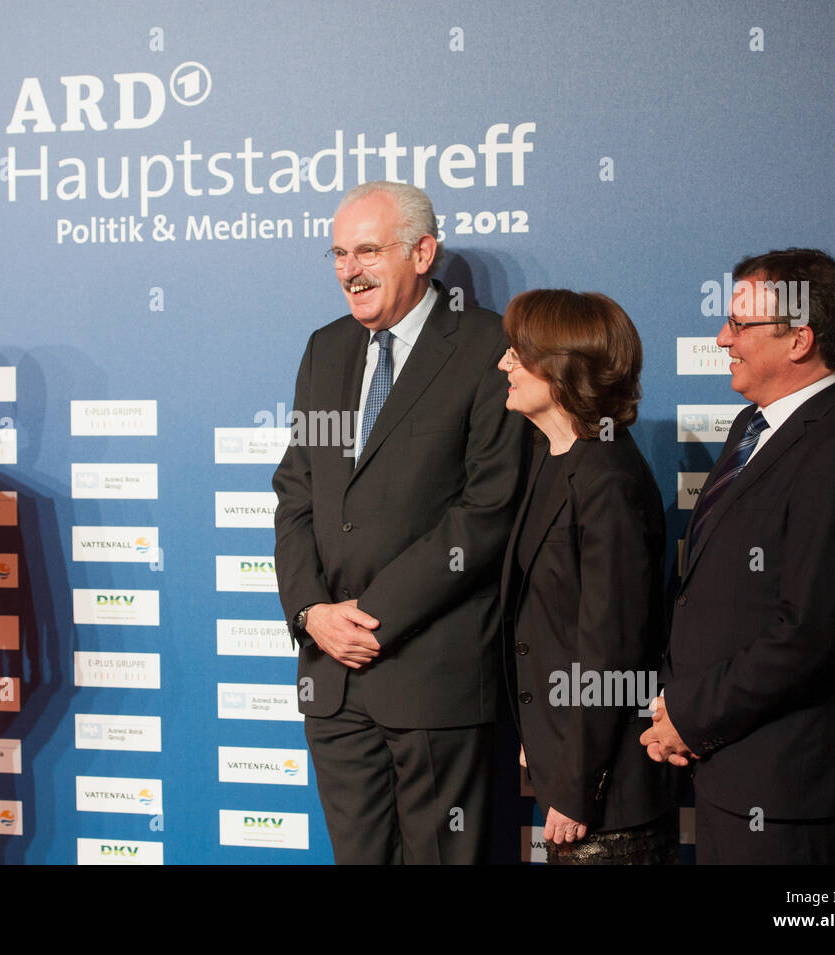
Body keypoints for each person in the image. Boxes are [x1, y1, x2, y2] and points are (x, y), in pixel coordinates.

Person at [272, 181, 525, 864]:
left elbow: (489, 508)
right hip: (333, 677)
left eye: (366, 251)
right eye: (337, 254)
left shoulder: (486, 345)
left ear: (423, 252)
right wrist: (311, 611)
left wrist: (371, 614)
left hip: (433, 676)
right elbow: (295, 494)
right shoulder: (325, 349)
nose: (348, 270)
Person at [641, 248, 835, 864]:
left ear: (799, 339)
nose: (722, 338)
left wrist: (691, 715)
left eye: (740, 324)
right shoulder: (752, 426)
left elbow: (807, 633)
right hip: (729, 761)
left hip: (782, 776)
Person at [497, 289, 677, 864]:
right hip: (563, 766)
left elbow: (610, 651)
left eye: (519, 353)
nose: (504, 362)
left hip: (607, 798)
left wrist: (575, 787)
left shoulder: (608, 480)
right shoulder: (554, 457)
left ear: (564, 365)